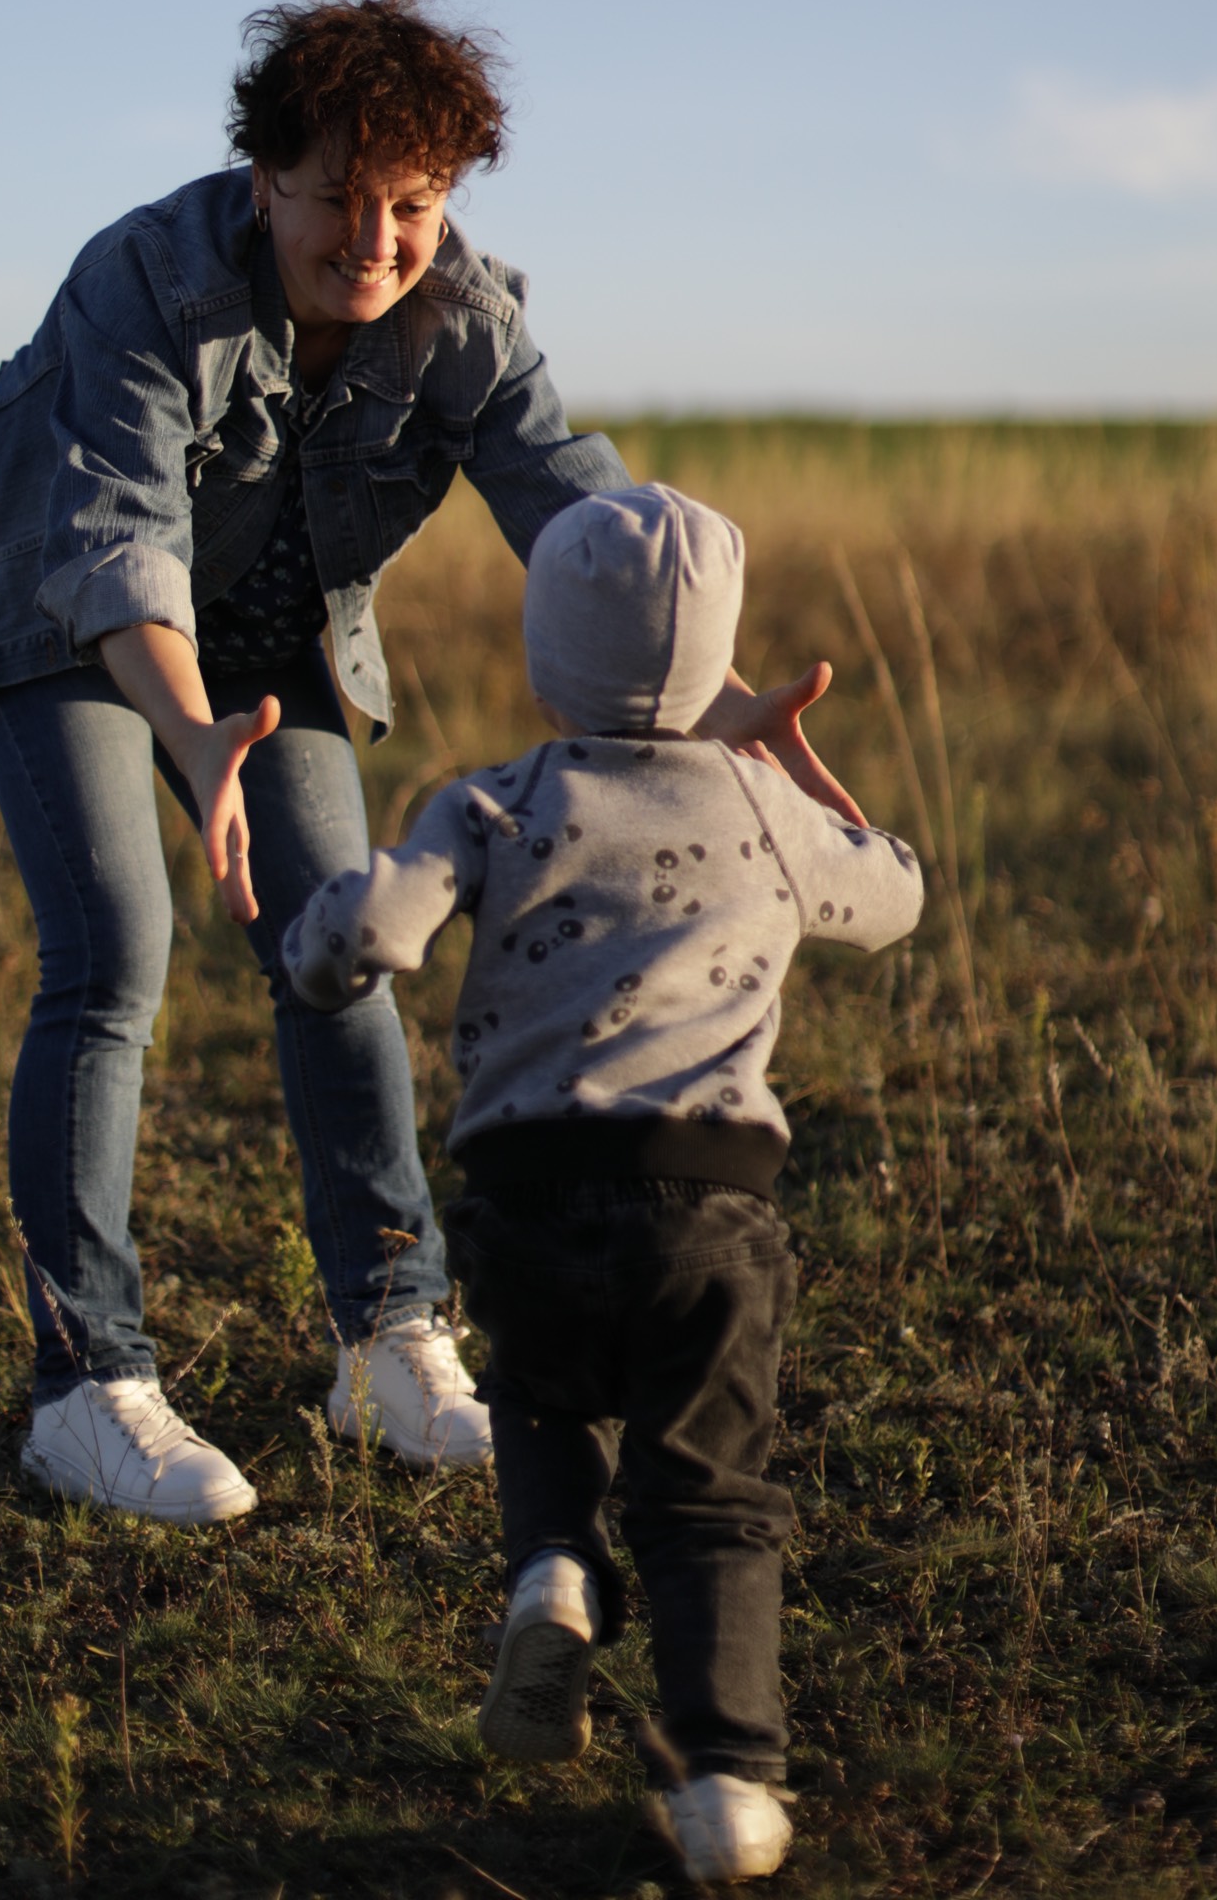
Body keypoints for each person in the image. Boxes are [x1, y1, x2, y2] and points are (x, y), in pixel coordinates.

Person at [0, 0, 857, 1526]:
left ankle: (389, 1338)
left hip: (267, 634)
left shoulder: (468, 318)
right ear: (265, 178)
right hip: (59, 599)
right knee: (114, 951)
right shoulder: (145, 278)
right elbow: (116, 539)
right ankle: (85, 1388)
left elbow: (585, 517)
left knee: (343, 937)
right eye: (336, 199)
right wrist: (188, 728)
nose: (372, 239)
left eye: (410, 203)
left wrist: (721, 703)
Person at [283, 484, 922, 1883]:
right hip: (707, 1201)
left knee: (541, 1391)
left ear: (544, 651)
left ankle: (553, 1574)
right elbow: (894, 900)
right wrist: (812, 792)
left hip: (523, 1187)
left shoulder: (497, 800)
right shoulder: (760, 802)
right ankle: (727, 1784)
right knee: (705, 1492)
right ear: (718, 656)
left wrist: (314, 946)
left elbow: (369, 934)